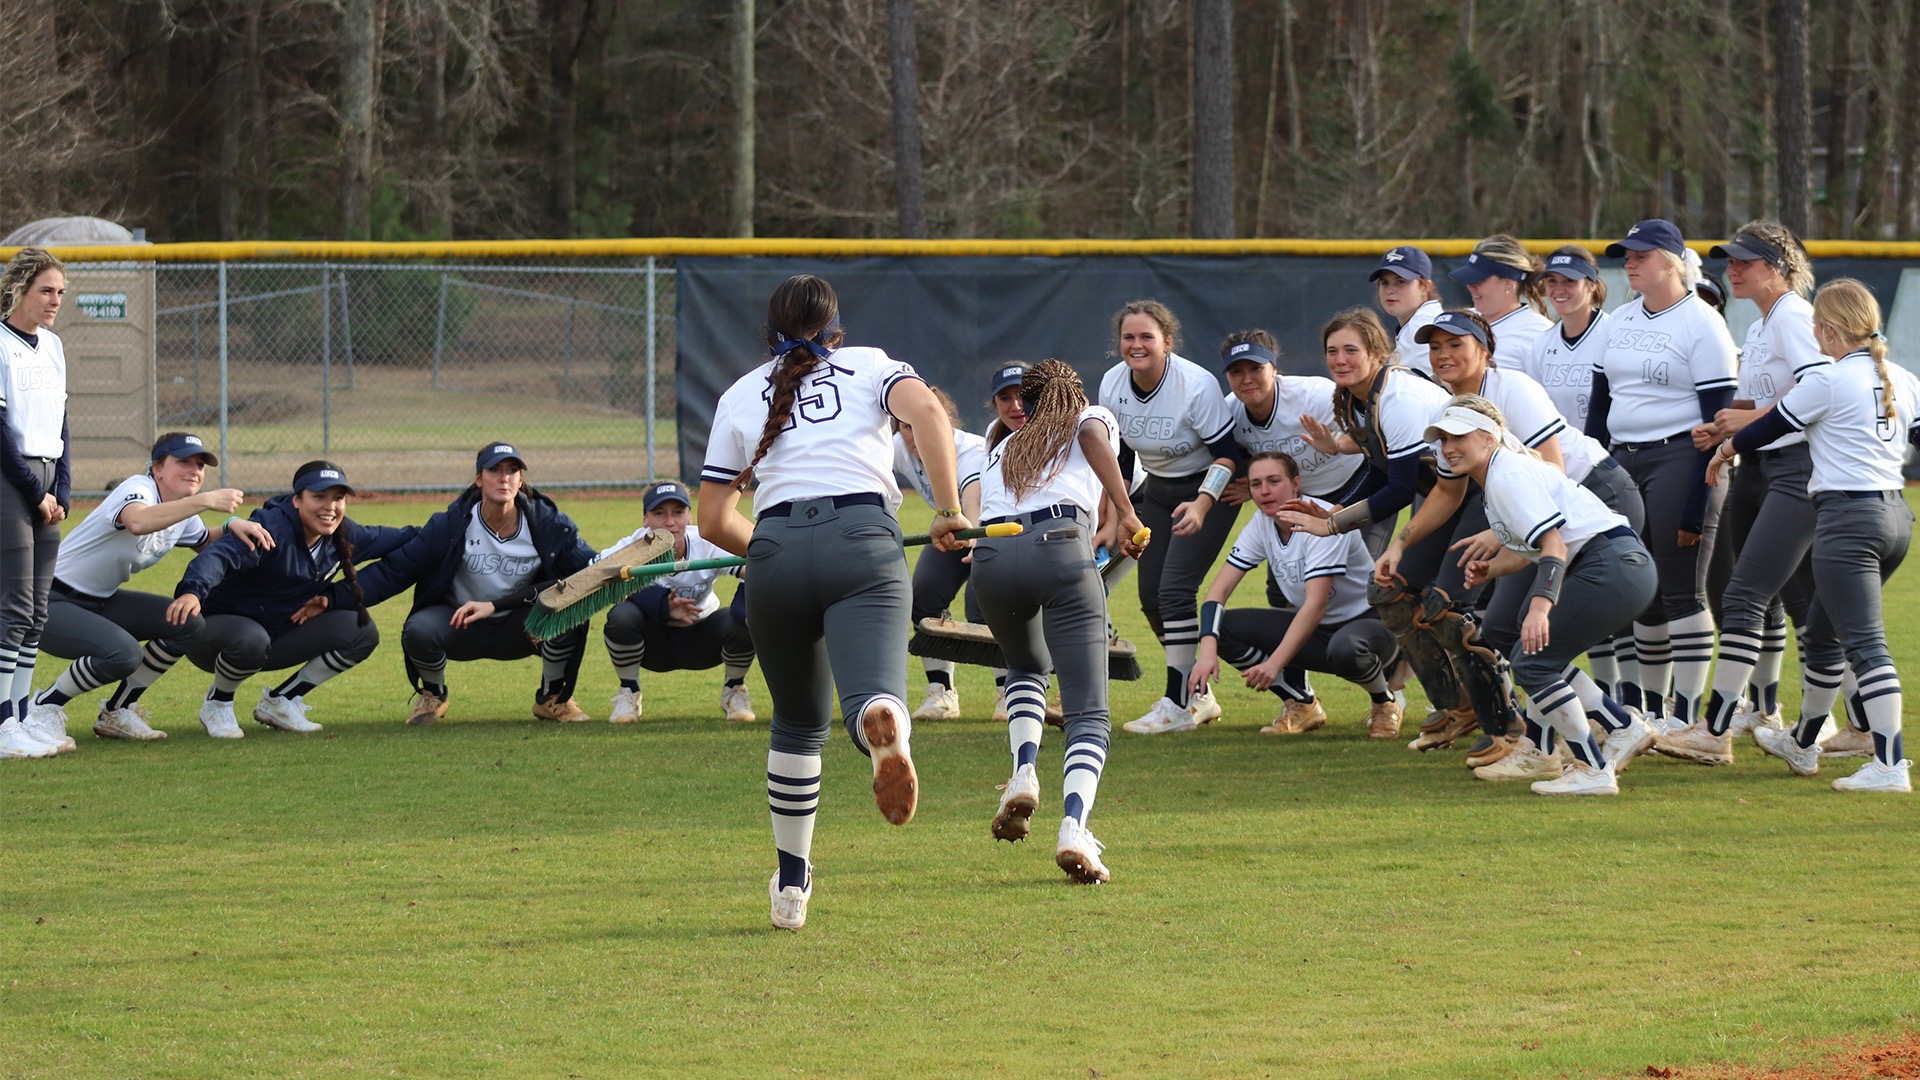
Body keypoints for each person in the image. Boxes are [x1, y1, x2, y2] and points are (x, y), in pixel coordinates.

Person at [697, 273, 969, 931]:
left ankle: (792, 888)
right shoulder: (869, 364)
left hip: (776, 550)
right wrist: (949, 509)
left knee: (795, 724)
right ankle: (882, 722)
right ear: (833, 328)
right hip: (862, 539)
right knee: (871, 693)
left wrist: (767, 549)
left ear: (770, 334)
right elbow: (930, 412)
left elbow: (711, 519)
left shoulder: (738, 393)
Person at [1718, 279, 1919, 792]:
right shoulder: (1903, 377)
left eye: (1816, 327)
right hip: (1896, 516)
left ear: (1828, 329)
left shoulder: (1829, 379)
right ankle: (1803, 740)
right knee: (1825, 634)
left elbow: (1768, 429)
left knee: (1867, 645)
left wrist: (1725, 449)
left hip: (1847, 519)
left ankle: (1890, 765)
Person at [1404, 397, 1658, 795]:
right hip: (1617, 564)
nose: (1448, 448)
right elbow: (1536, 550)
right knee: (1538, 660)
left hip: (1611, 565)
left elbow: (1554, 545)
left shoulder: (1505, 476)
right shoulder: (1500, 473)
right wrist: (1493, 568)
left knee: (1534, 663)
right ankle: (1621, 727)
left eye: (1458, 437)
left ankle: (1593, 768)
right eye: (1442, 440)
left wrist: (1540, 607)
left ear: (1488, 439)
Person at [1277, 308, 1490, 752]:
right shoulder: (1360, 397)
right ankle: (1456, 706)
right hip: (1446, 501)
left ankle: (1500, 718)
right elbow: (1382, 470)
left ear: (1377, 352)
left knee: (1448, 605)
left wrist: (1332, 522)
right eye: (1332, 351)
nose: (1339, 359)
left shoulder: (1399, 397)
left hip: (1481, 501)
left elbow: (1397, 488)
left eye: (1351, 349)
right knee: (1391, 593)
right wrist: (1337, 508)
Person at [972, 359, 1147, 883]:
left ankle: (1023, 771)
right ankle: (1074, 827)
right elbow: (1094, 433)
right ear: (1070, 392)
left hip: (991, 558)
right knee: (1089, 711)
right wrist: (1127, 511)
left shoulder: (1003, 445)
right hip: (1060, 546)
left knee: (1025, 666)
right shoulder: (1087, 415)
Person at [1656, 223, 1823, 765]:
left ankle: (1716, 729)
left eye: (1745, 261)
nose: (1733, 268)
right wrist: (1725, 430)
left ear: (1777, 267)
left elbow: (1820, 388)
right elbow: (1759, 404)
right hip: (1762, 465)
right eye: (1729, 260)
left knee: (1748, 596)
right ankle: (1780, 713)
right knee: (1775, 598)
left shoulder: (1794, 315)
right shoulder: (1761, 324)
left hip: (1795, 467)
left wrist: (1744, 420)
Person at [1585, 219, 1737, 743]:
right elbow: (1600, 407)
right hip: (1624, 460)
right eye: (1625, 254)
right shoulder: (1620, 319)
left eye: (1641, 254)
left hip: (1681, 459)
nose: (1629, 261)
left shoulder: (1702, 321)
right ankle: (1652, 710)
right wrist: (1590, 469)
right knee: (1644, 592)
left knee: (1681, 589)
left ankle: (1688, 715)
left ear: (1671, 261)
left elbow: (1718, 420)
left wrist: (1699, 498)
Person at [326, 442, 598, 727]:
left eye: (512, 470)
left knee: (569, 616)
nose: (503, 477)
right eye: (494, 470)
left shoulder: (548, 525)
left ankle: (552, 698)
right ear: (479, 478)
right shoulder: (451, 525)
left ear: (520, 480)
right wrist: (332, 599)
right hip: (459, 623)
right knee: (418, 630)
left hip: (522, 626)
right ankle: (434, 695)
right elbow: (396, 570)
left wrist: (632, 561)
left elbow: (589, 569)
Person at [29, 433, 273, 743]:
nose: (195, 470)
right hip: (50, 599)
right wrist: (204, 500)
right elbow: (138, 522)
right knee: (123, 654)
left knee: (187, 623)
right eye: (183, 462)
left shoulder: (180, 509)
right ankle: (43, 707)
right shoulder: (138, 488)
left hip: (100, 600)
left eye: (200, 464)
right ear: (157, 468)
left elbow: (203, 541)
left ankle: (118, 711)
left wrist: (230, 525)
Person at [157, 461, 416, 737]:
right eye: (319, 497)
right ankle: (218, 703)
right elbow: (217, 557)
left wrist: (449, 534)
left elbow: (404, 538)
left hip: (272, 635)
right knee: (251, 638)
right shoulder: (271, 528)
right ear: (296, 500)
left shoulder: (344, 534)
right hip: (214, 638)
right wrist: (192, 592)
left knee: (361, 631)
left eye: (338, 498)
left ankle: (282, 701)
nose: (330, 506)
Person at [1098, 299, 1241, 735]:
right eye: (1129, 337)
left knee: (1176, 591)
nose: (1136, 345)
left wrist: (1203, 503)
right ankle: (1198, 695)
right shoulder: (1112, 383)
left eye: (1146, 337)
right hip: (1158, 492)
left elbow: (1228, 453)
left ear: (1167, 342)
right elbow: (1118, 458)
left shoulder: (1194, 385)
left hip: (1207, 490)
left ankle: (1178, 705)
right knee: (1151, 598)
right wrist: (1116, 517)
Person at [1190, 452, 1405, 738]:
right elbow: (1218, 592)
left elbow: (1316, 604)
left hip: (1370, 625)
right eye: (1255, 484)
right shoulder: (1261, 523)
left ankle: (1384, 703)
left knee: (1345, 648)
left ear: (1296, 484)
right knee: (1223, 627)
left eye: (1274, 481)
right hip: (1318, 628)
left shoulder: (1324, 519)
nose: (1264, 491)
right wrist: (1207, 652)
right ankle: (1301, 704)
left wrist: (1274, 663)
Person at [1520, 246, 1631, 700]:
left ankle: (1640, 699)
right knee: (1584, 588)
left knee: (1620, 593)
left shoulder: (1612, 334)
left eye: (1571, 281)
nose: (1560, 289)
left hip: (1606, 469)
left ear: (1592, 285)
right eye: (1552, 282)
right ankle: (1607, 694)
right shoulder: (1542, 344)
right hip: (1559, 478)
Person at [600, 480, 756, 724]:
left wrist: (743, 607)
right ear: (645, 519)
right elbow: (594, 572)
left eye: (678, 512)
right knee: (621, 616)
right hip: (654, 643)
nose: (669, 522)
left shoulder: (708, 540)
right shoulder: (632, 547)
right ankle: (628, 693)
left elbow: (756, 567)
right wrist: (660, 605)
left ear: (690, 516)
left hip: (704, 639)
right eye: (659, 513)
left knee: (744, 620)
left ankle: (734, 691)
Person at [0, 248, 73, 762]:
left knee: (38, 612)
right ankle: (2, 726)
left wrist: (63, 488)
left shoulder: (53, 345)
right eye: (46, 290)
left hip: (47, 481)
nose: (54, 301)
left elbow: (63, 424)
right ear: (20, 288)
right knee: (14, 607)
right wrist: (35, 490)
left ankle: (22, 717)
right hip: (12, 480)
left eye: (61, 293)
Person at [1219, 329, 1375, 567]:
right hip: (1300, 501)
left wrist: (1336, 445)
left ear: (1274, 367)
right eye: (1236, 371)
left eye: (1256, 368)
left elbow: (1374, 437)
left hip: (1358, 487)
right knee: (1288, 586)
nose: (1246, 378)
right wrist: (1251, 488)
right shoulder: (1229, 413)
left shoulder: (1315, 396)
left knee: (1370, 580)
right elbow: (1233, 456)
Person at [894, 385, 987, 721]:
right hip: (950, 528)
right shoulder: (899, 448)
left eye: (924, 422)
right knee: (924, 598)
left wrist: (976, 537)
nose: (915, 431)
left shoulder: (971, 450)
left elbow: (973, 496)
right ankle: (942, 694)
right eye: (905, 425)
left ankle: (1009, 692)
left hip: (991, 528)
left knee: (986, 603)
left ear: (947, 423)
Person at [1448, 235, 1553, 369]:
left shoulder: (1538, 333)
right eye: (1468, 279)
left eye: (1479, 280)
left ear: (1508, 283)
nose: (1470, 286)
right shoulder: (1461, 320)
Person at [1370, 246, 1443, 377]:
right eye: (1384, 282)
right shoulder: (1415, 322)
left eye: (1400, 282)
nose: (1390, 290)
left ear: (1425, 286)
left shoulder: (1425, 324)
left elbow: (1436, 388)